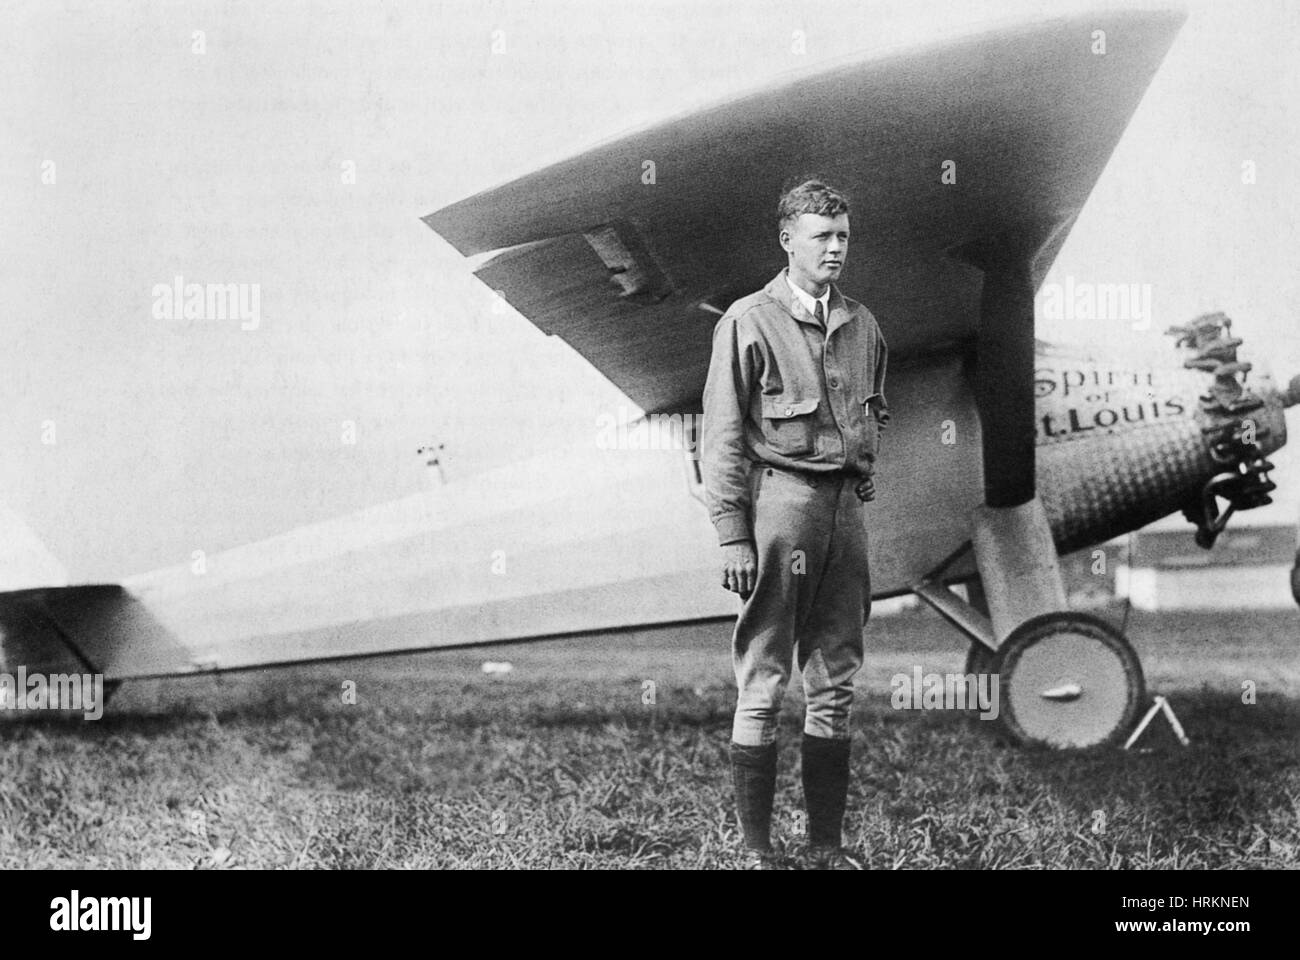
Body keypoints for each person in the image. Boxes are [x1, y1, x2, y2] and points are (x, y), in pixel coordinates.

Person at [700, 177, 889, 869]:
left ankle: (826, 847)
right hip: (782, 503)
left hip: (845, 509)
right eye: (822, 236)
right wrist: (732, 532)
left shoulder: (863, 323)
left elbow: (871, 412)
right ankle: (755, 850)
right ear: (788, 240)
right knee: (767, 671)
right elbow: (720, 435)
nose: (836, 248)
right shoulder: (748, 320)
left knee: (836, 674)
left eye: (843, 236)